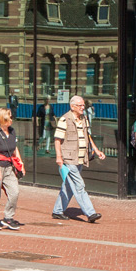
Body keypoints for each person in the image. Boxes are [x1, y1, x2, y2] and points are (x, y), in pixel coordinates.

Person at [53, 95, 106, 223]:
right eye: (80, 105)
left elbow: (88, 136)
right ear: (72, 106)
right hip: (69, 159)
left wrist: (96, 150)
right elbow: (57, 140)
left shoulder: (84, 118)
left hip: (80, 158)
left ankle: (57, 211)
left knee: (68, 186)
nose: (83, 107)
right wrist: (59, 157)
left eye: (83, 105)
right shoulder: (64, 120)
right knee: (79, 185)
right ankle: (90, 213)